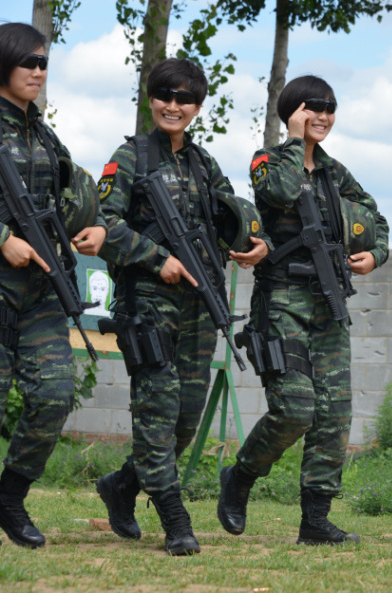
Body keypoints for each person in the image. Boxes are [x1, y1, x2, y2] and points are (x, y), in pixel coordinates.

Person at [94, 58, 270, 556]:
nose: (174, 106)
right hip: (149, 302)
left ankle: (122, 486)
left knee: (185, 418)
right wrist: (156, 258)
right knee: (157, 407)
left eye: (185, 99)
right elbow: (103, 224)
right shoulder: (130, 159)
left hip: (198, 303)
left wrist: (256, 240)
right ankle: (175, 519)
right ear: (151, 99)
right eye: (165, 96)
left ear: (197, 106)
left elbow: (234, 212)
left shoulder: (202, 162)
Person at [217, 75, 389, 545]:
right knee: (296, 408)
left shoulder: (337, 173)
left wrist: (378, 254)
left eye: (330, 108)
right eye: (312, 108)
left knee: (334, 415)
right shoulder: (267, 160)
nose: (323, 117)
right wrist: (294, 140)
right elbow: (279, 193)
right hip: (281, 302)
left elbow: (376, 218)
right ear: (292, 111)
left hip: (329, 301)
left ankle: (315, 519)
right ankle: (242, 476)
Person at [0, 22, 107, 548]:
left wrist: (98, 226)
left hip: (40, 288)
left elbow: (81, 187)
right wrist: (1, 237)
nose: (39, 72)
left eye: (44, 63)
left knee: (55, 393)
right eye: (29, 62)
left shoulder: (42, 134)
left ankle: (11, 495)